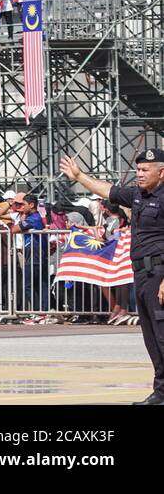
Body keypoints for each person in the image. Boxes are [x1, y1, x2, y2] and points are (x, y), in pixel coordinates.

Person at [60, 150, 164, 404]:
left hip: (160, 272)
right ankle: (161, 392)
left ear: (161, 172)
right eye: (138, 170)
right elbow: (108, 190)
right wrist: (80, 176)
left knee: (163, 334)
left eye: (145, 170)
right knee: (152, 336)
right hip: (141, 273)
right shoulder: (138, 195)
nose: (139, 174)